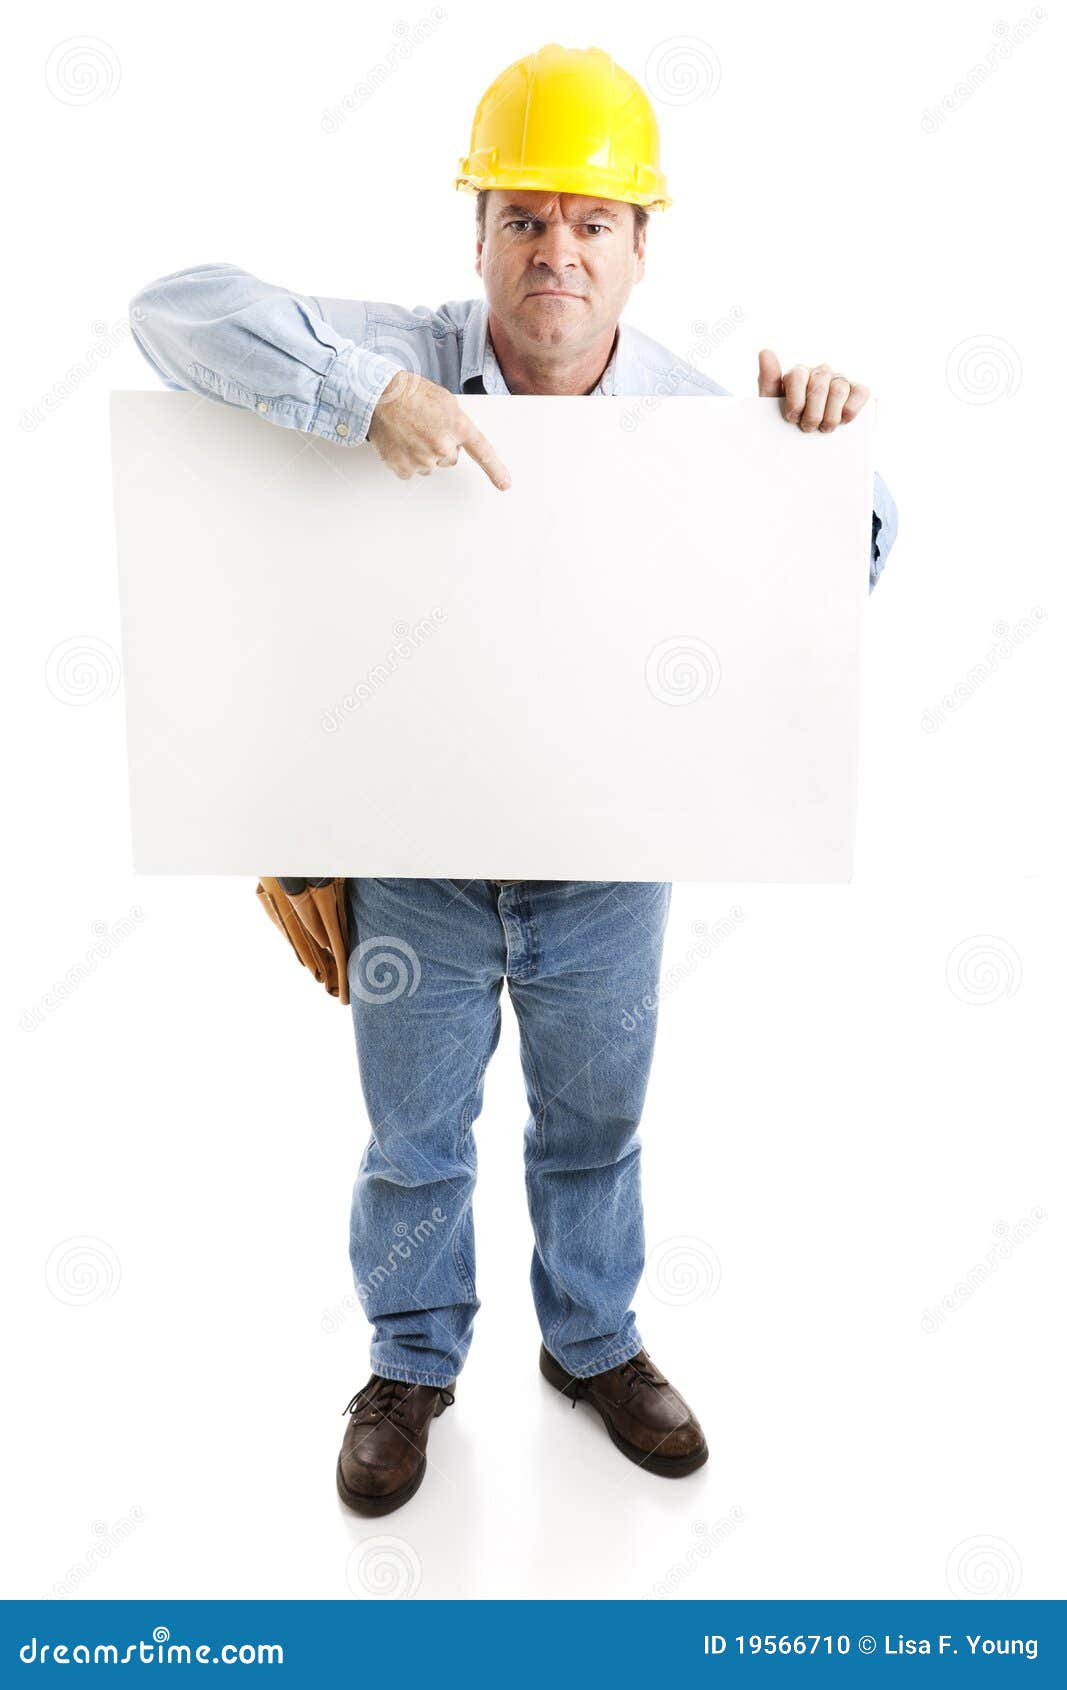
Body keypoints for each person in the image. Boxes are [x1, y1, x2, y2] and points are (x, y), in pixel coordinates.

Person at [129, 42, 898, 1516]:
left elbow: (855, 565)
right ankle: (412, 1360)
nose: (557, 252)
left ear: (641, 250)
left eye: (591, 222)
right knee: (416, 1138)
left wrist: (819, 459)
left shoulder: (692, 413)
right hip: (416, 849)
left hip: (607, 863)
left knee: (595, 1122)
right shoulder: (405, 348)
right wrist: (361, 399)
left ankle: (592, 1340)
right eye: (525, 217)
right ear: (478, 234)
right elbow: (172, 314)